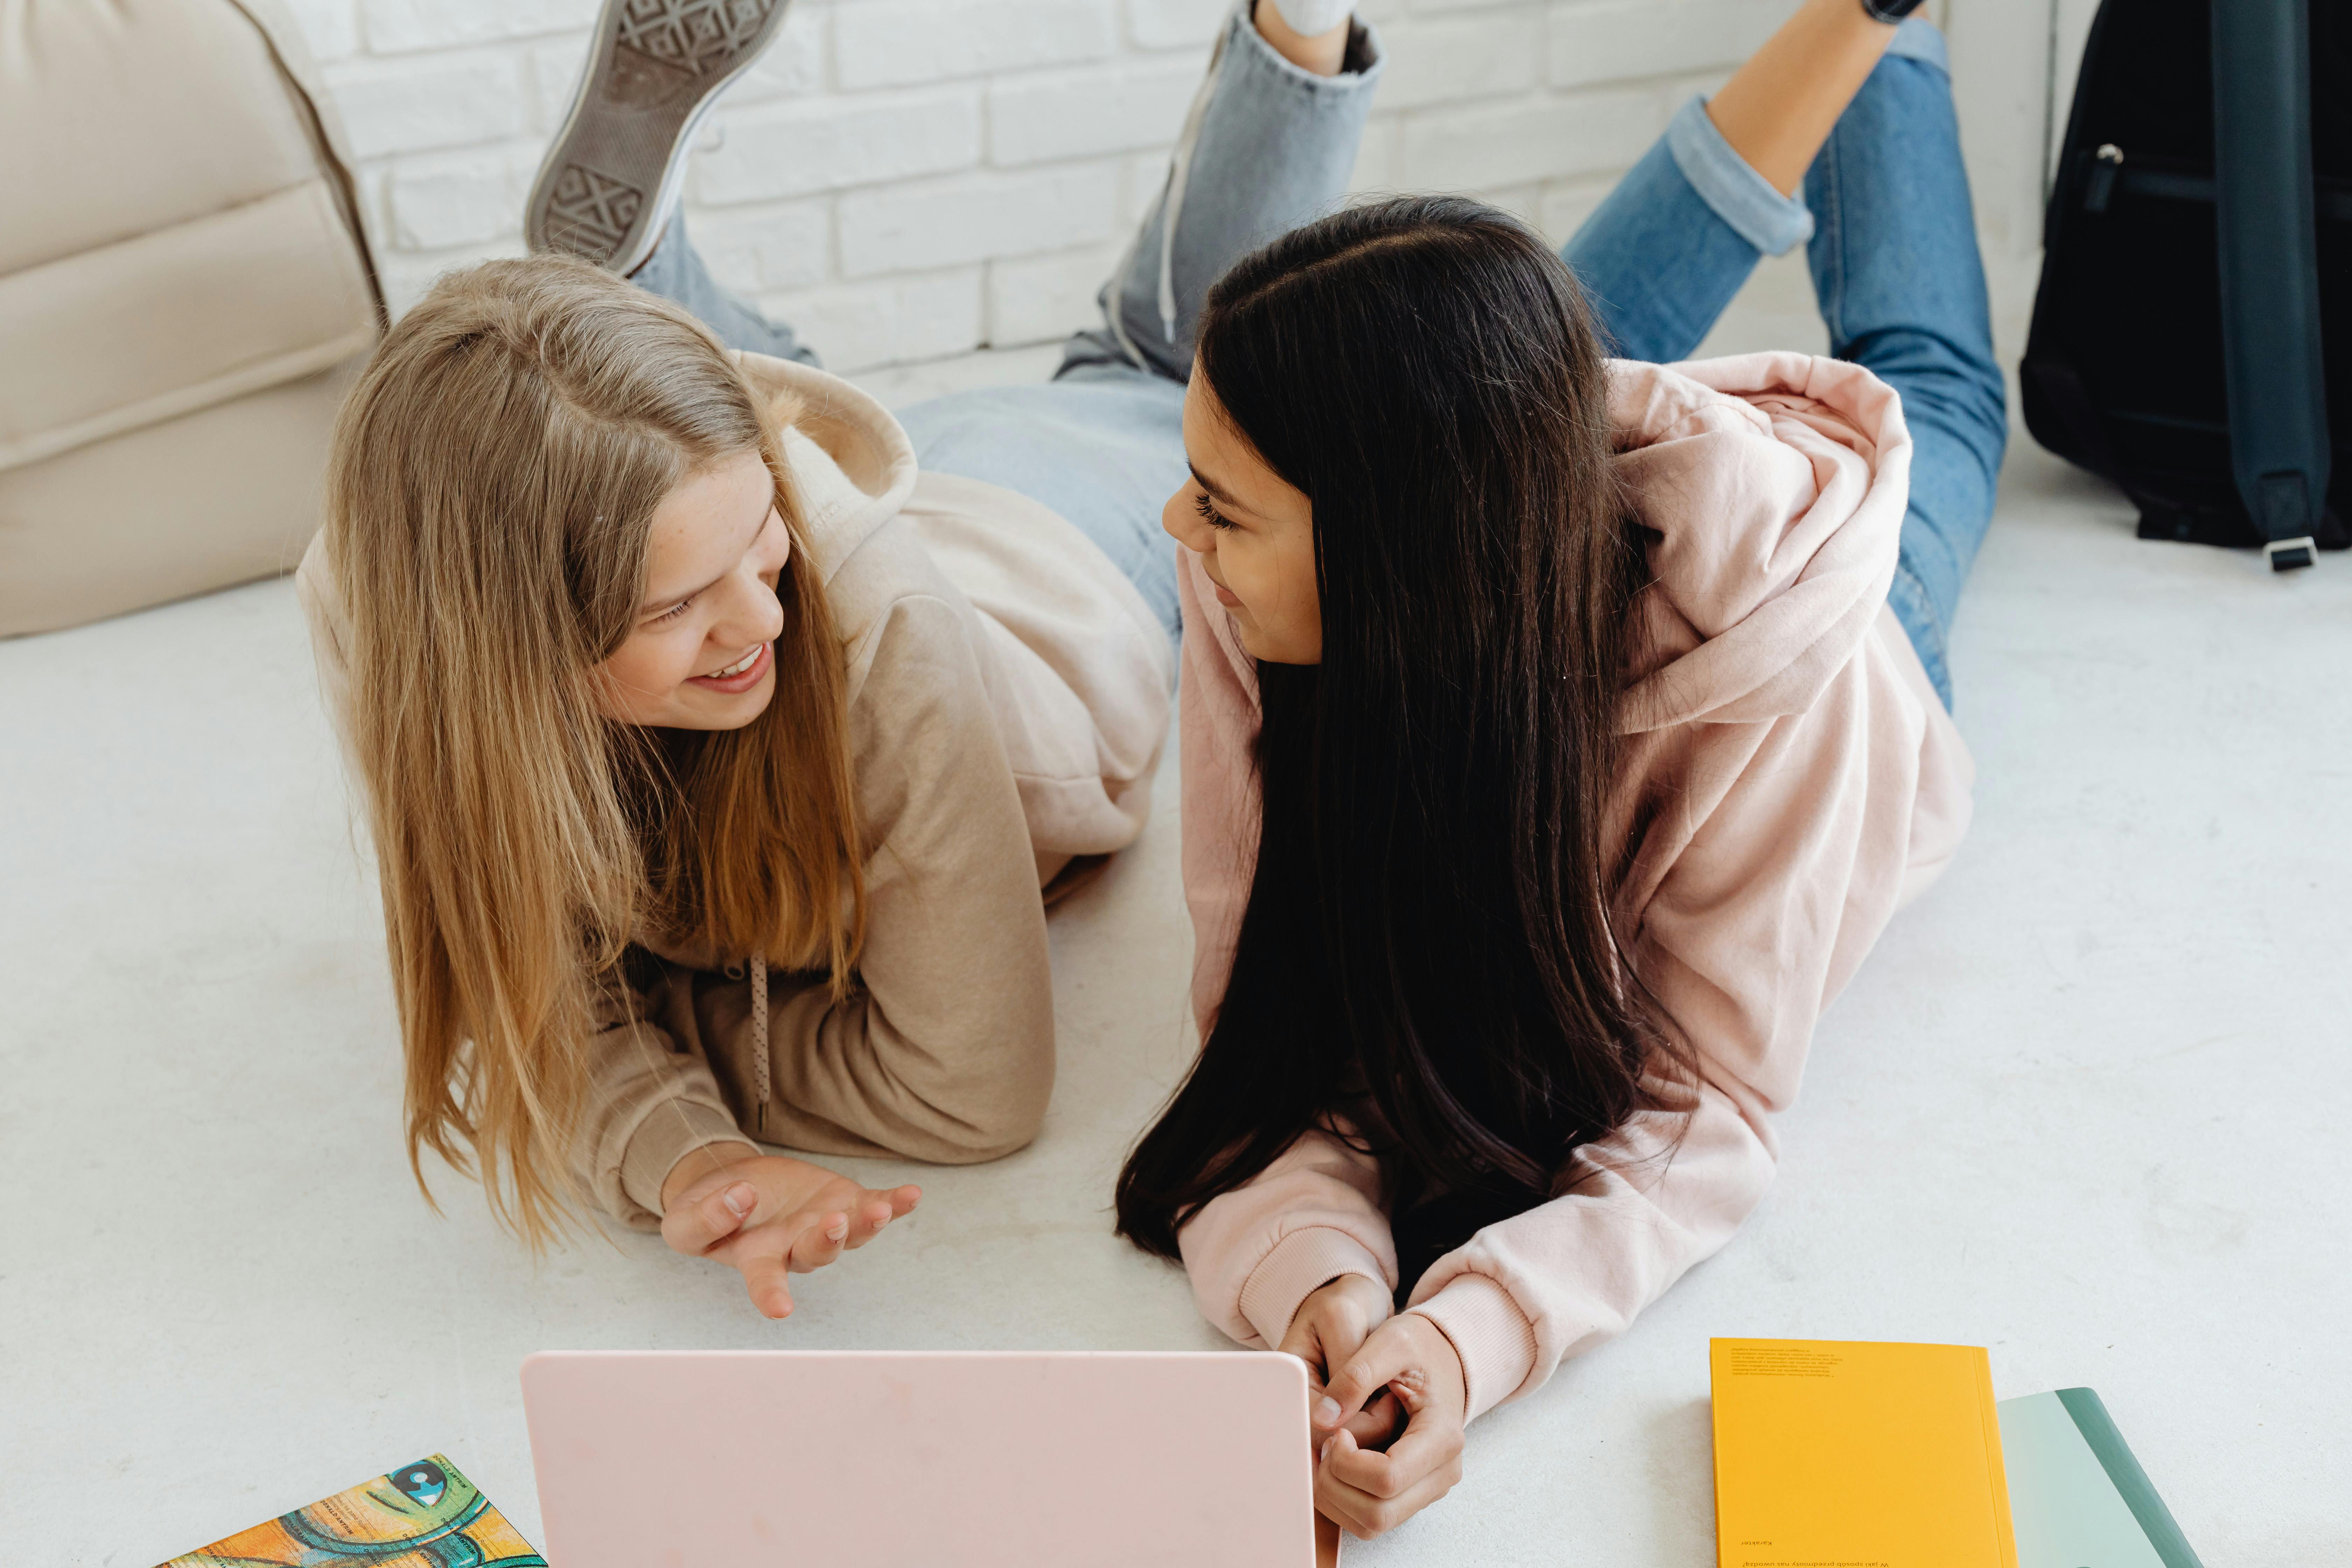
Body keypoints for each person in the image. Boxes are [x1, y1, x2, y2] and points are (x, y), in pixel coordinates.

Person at [295, 0, 1380, 1319]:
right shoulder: (378, 597)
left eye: (762, 558)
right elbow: (527, 990)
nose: (765, 625)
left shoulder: (862, 618)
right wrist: (693, 1148)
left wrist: (638, 1019)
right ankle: (659, 278)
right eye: (677, 607)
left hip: (1045, 560)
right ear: (496, 648)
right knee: (1136, 352)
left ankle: (1300, 35)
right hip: (805, 476)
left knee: (1179, 375)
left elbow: (970, 1093)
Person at [1113, 0, 2001, 1542]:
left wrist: (1482, 1328)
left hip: (1856, 650)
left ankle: (1896, 41)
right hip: (1523, 551)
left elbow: (1701, 1105)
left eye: (1224, 507)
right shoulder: (1260, 584)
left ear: (1390, 561)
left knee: (1940, 387)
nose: (1177, 535)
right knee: (1508, 342)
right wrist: (1326, 1280)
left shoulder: (1791, 689)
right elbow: (1260, 1021)